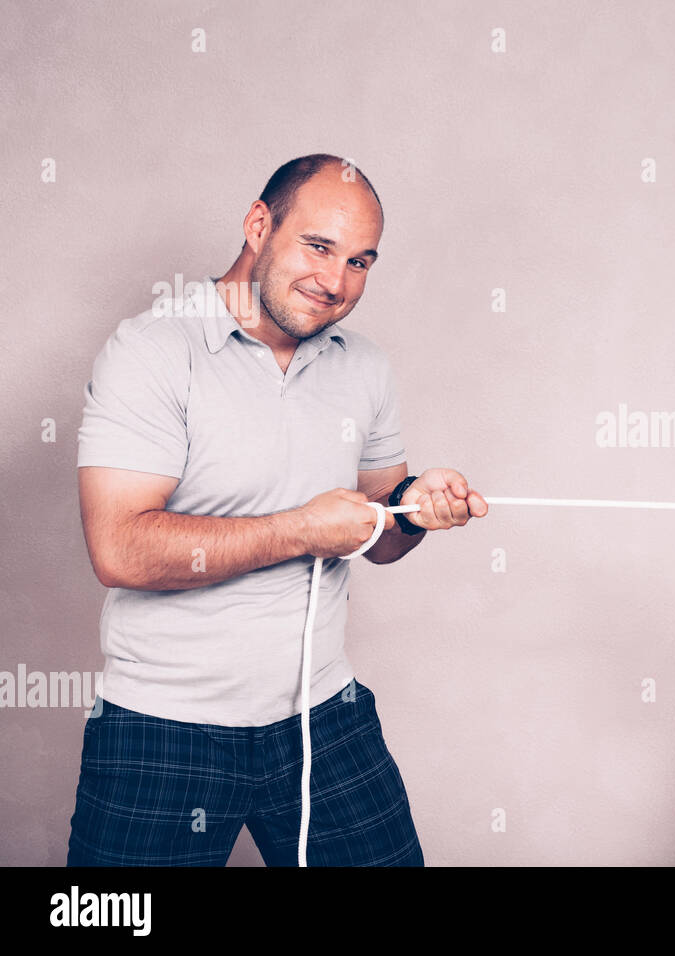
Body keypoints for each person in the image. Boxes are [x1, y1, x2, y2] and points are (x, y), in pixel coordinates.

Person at [69, 153, 488, 866]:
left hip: (325, 718)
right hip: (163, 724)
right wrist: (300, 530)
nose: (335, 282)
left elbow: (378, 534)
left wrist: (414, 512)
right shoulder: (152, 352)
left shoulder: (365, 366)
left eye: (360, 262)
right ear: (259, 225)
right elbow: (119, 549)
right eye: (318, 247)